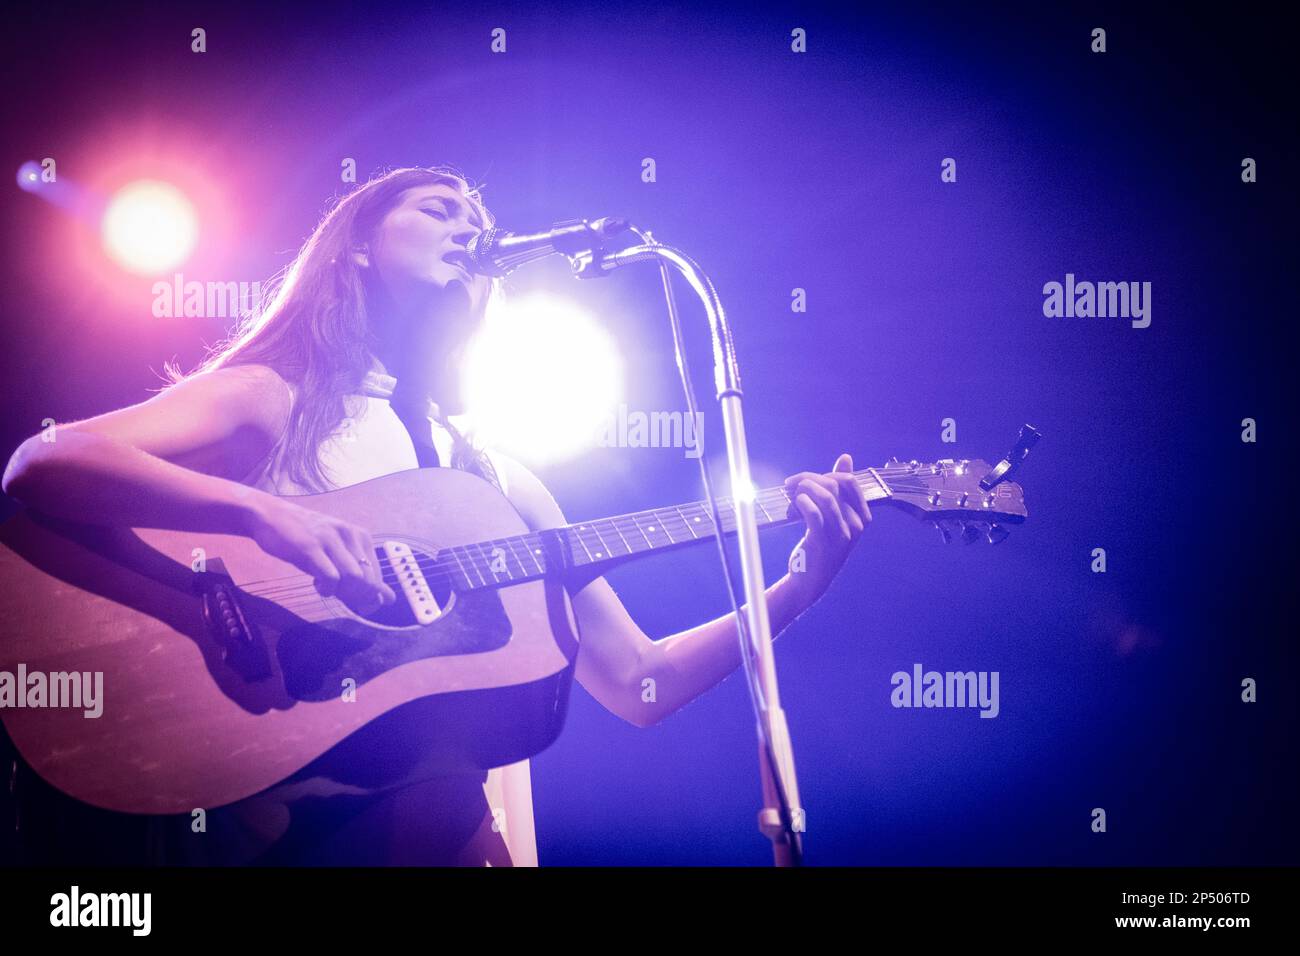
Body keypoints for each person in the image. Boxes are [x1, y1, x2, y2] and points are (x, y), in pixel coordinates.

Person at [0, 165, 871, 866]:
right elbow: (43, 463)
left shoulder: (501, 478)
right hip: (266, 828)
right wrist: (267, 518)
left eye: (476, 215)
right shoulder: (275, 398)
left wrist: (802, 581)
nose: (470, 227)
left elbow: (642, 681)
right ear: (355, 252)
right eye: (439, 207)